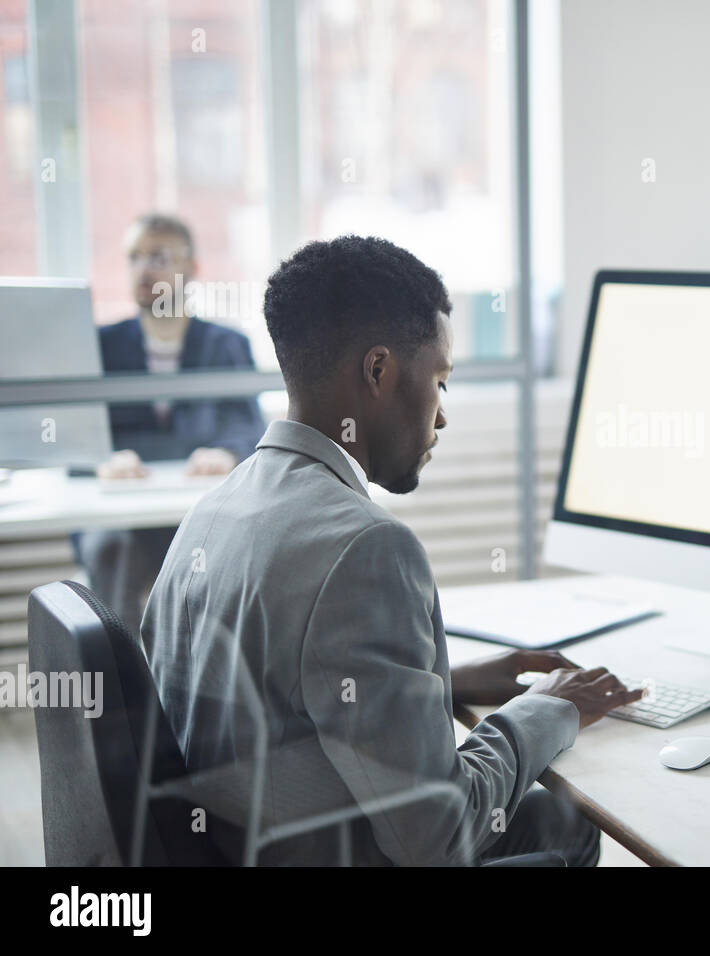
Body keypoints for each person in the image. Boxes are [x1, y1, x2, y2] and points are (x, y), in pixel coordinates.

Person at [141, 235, 641, 866]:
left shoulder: (214, 510)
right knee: (566, 834)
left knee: (552, 820)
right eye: (440, 381)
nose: (441, 416)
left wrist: (441, 683)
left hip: (237, 838)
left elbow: (271, 694)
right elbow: (441, 840)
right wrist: (546, 710)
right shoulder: (367, 548)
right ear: (378, 371)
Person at [74, 214, 264, 633]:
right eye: (134, 258)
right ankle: (125, 693)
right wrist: (101, 457)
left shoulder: (226, 344)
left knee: (228, 561)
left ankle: (197, 688)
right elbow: (73, 431)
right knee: (110, 550)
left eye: (158, 257)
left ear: (192, 270)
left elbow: (250, 425)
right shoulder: (99, 345)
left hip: (196, 510)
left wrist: (227, 452)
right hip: (121, 512)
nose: (144, 269)